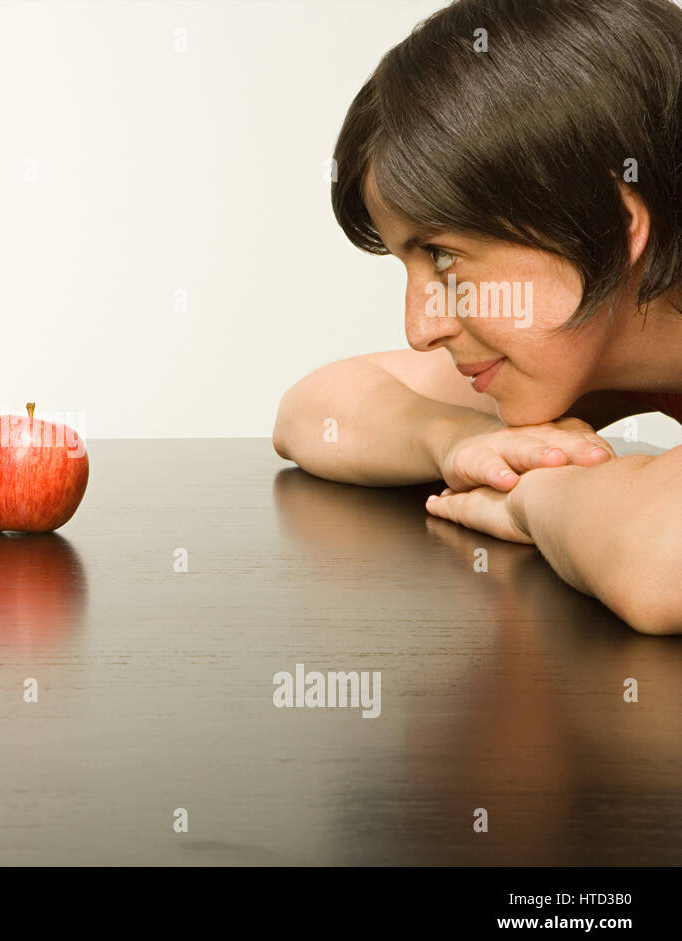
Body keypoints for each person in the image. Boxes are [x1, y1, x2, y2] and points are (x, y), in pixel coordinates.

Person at [273, 0, 682, 634]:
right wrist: (463, 442)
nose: (421, 329)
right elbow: (311, 410)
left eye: (443, 256)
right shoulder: (603, 341)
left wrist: (529, 498)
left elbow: (662, 561)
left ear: (616, 219)